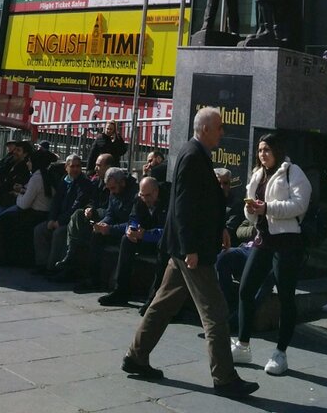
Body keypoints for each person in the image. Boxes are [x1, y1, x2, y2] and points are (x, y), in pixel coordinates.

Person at [121, 106, 258, 398]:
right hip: (192, 252)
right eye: (219, 127)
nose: (223, 131)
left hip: (184, 248)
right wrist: (190, 249)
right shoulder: (193, 156)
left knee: (164, 304)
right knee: (216, 313)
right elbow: (182, 207)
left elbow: (200, 204)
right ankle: (225, 378)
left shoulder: (195, 154)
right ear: (205, 129)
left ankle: (136, 356)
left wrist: (218, 228)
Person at [228, 133, 312, 376]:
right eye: (260, 150)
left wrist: (267, 208)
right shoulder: (258, 174)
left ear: (277, 150)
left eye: (266, 149)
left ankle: (281, 352)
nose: (262, 154)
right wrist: (251, 208)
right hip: (263, 239)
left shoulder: (292, 172)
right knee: (245, 288)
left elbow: (300, 205)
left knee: (286, 295)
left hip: (287, 241)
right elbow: (251, 214)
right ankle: (243, 344)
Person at [98, 176, 167, 306]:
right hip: (143, 237)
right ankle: (120, 290)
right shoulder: (139, 199)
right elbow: (133, 217)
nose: (145, 199)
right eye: (142, 195)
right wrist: (131, 229)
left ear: (156, 192)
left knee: (163, 247)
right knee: (126, 241)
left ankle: (153, 298)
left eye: (148, 196)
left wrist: (146, 235)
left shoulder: (168, 202)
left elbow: (168, 230)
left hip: (160, 240)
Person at [33, 153, 91, 273]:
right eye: (72, 166)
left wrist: (60, 221)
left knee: (58, 233)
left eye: (78, 166)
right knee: (39, 230)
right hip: (58, 218)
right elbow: (56, 202)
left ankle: (52, 267)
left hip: (70, 222)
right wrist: (51, 219)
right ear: (66, 167)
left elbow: (77, 206)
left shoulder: (84, 184)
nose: (75, 169)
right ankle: (41, 264)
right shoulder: (64, 181)